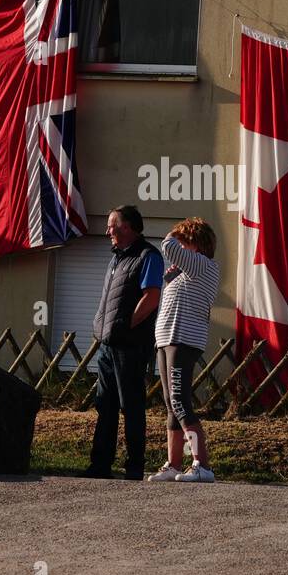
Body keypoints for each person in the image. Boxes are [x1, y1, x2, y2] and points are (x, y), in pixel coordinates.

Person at [84, 205, 163, 481]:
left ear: (127, 227)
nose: (107, 231)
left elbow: (151, 297)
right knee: (104, 404)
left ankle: (134, 467)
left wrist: (125, 325)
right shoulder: (116, 258)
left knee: (131, 406)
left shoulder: (148, 256)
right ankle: (100, 465)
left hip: (130, 345)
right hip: (108, 344)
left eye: (112, 226)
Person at [147, 217, 220, 483]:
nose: (178, 243)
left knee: (180, 402)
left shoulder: (203, 264)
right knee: (171, 405)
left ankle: (202, 465)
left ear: (195, 244)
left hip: (183, 340)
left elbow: (168, 246)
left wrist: (173, 234)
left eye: (183, 240)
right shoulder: (187, 270)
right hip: (167, 340)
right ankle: (174, 464)